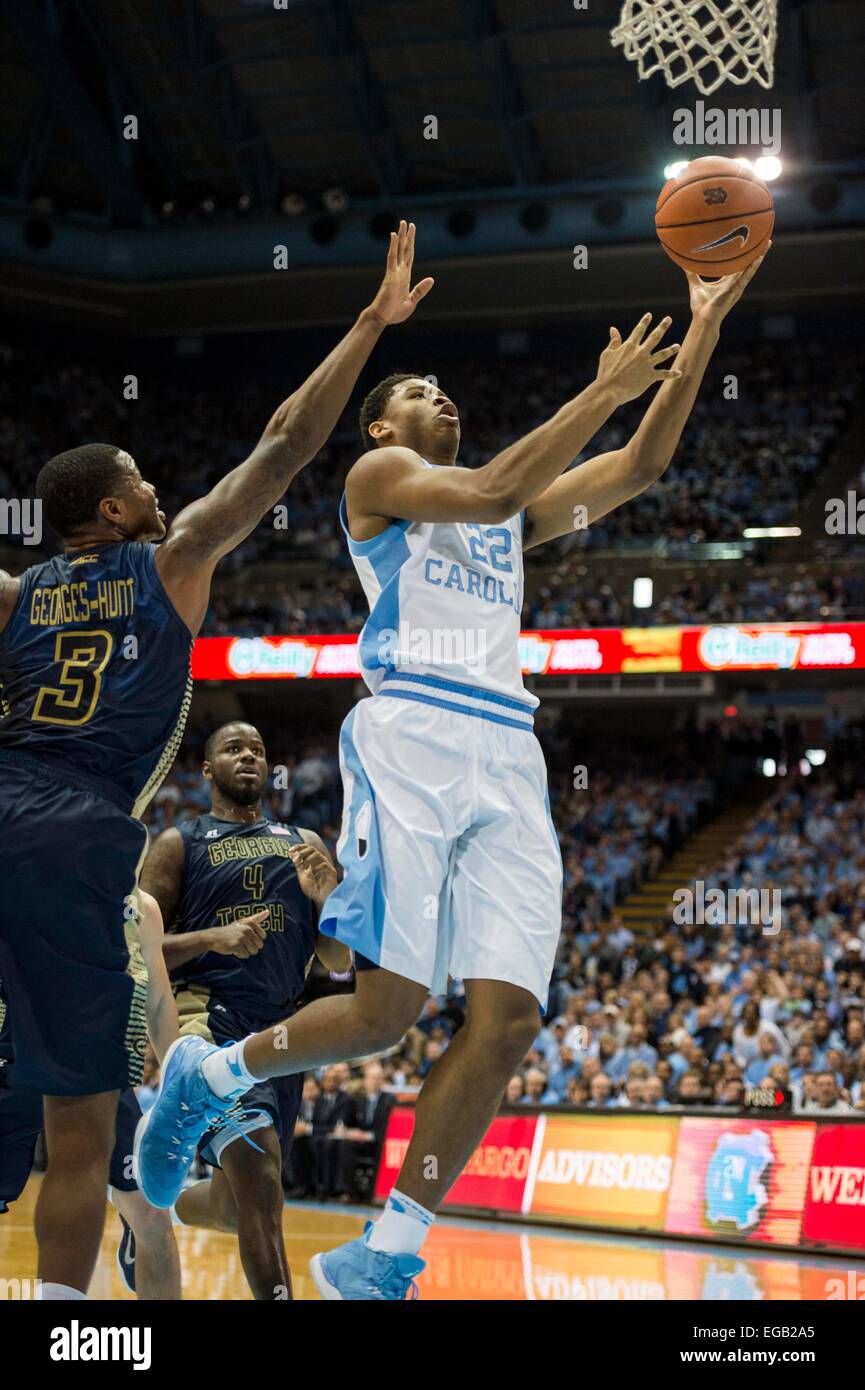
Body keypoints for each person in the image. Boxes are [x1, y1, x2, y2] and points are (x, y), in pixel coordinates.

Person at [135, 252, 769, 1299]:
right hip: (413, 737)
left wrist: (703, 326)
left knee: (512, 1017)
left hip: (508, 751)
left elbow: (639, 468)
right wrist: (599, 390)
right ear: (381, 426)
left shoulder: (510, 519)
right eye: (421, 392)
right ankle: (207, 1076)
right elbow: (486, 486)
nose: (446, 400)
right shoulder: (376, 483)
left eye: (449, 392)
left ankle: (385, 1247)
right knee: (388, 1010)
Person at [0, 221, 433, 1300]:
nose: (156, 491)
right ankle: (68, 1327)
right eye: (141, 482)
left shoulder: (12, 597)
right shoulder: (173, 556)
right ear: (114, 509)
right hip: (78, 830)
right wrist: (371, 324)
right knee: (79, 1121)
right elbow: (284, 445)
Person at [140, 721, 349, 1299]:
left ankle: (148, 1211)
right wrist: (213, 938)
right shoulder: (179, 843)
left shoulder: (303, 840)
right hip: (210, 1022)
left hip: (282, 1034)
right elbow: (137, 947)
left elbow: (336, 961)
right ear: (207, 770)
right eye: (234, 749)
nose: (249, 757)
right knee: (261, 1184)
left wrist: (328, 903)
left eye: (258, 749)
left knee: (238, 1207)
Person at [0, 894, 181, 1299]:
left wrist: (176, 1081)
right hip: (12, 1055)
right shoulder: (24, 865)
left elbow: (158, 999)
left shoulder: (141, 907)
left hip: (95, 1065)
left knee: (151, 1209)